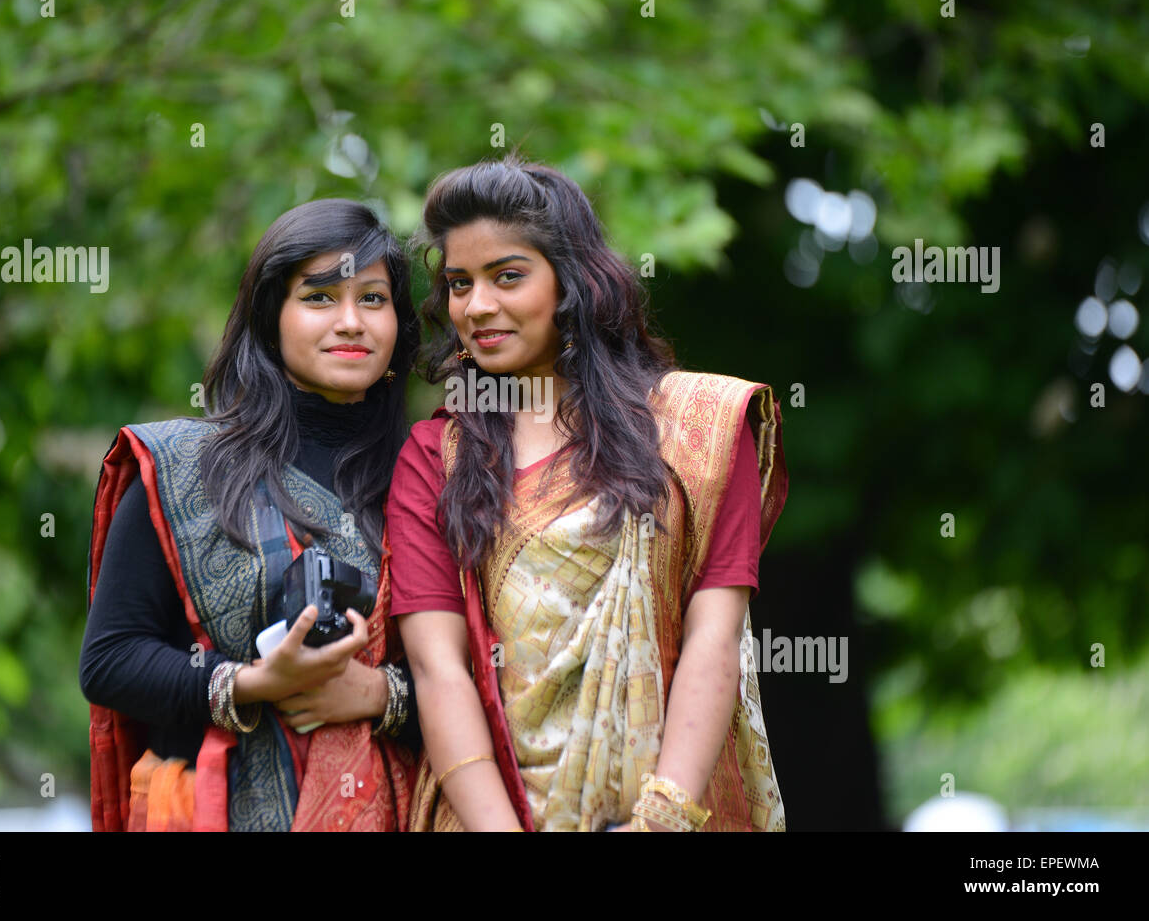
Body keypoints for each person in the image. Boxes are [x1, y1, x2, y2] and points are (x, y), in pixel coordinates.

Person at [388, 155, 789, 831]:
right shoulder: (436, 458)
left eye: (507, 276)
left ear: (571, 282)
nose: (477, 306)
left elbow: (714, 639)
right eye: (459, 283)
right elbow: (439, 671)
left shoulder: (700, 433)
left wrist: (661, 820)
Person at [81, 198, 421, 831]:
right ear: (270, 319)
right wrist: (253, 684)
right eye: (320, 297)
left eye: (373, 299)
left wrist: (379, 695)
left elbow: (491, 679)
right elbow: (111, 661)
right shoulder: (186, 469)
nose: (351, 322)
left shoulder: (432, 477)